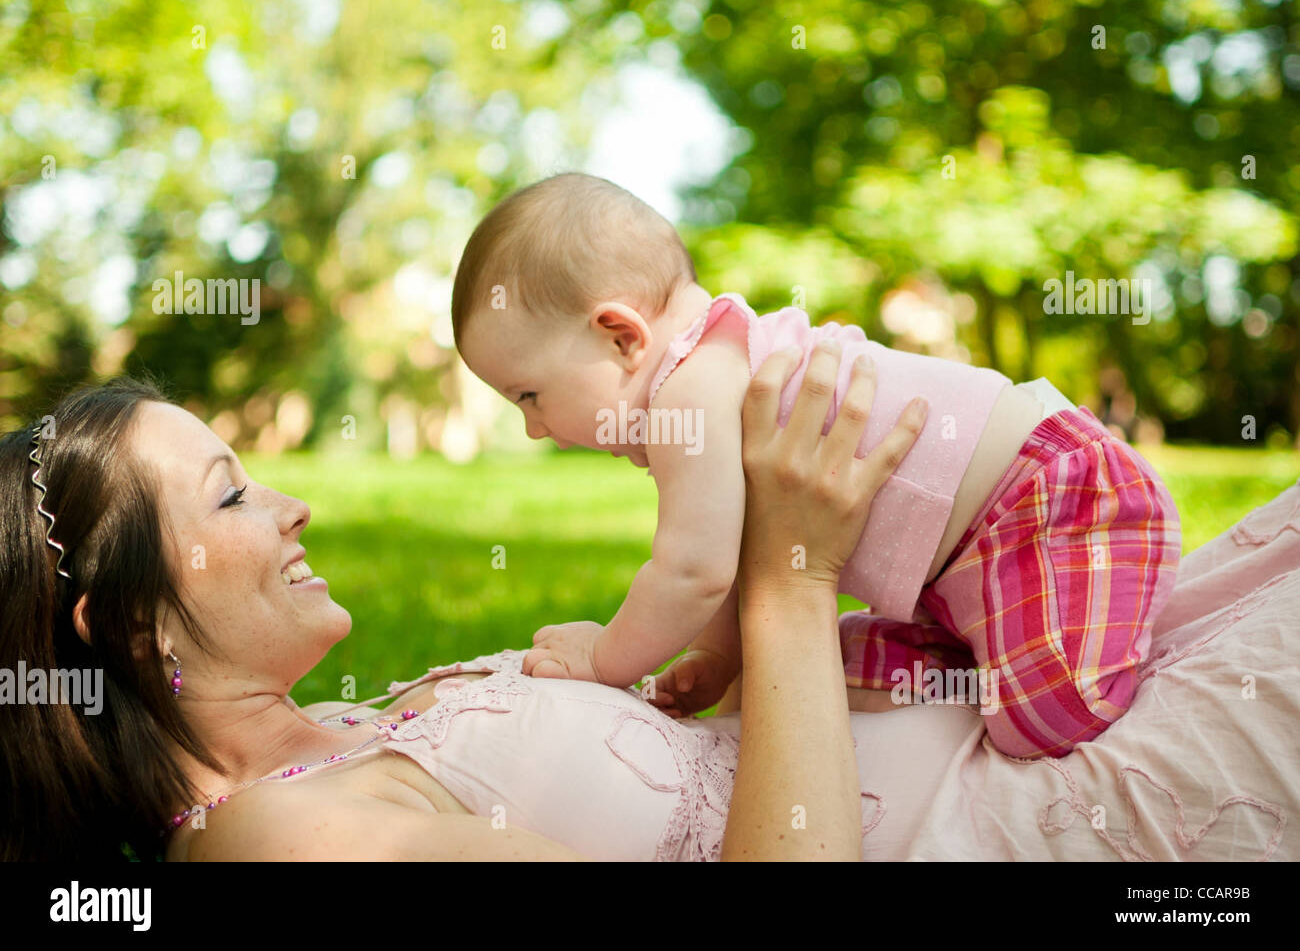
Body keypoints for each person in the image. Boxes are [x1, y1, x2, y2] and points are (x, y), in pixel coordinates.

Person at [0, 344, 923, 861]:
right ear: (133, 623)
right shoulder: (277, 838)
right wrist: (792, 584)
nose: (295, 507)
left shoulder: (329, 736)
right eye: (231, 495)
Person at [450, 172, 1183, 758]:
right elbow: (736, 557)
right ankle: (986, 658)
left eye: (531, 394)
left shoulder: (693, 387)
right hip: (949, 575)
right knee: (834, 675)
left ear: (620, 336)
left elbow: (693, 567)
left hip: (1046, 505)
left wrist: (604, 657)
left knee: (1049, 720)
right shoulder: (708, 370)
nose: (534, 428)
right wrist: (715, 653)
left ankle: (1129, 611)